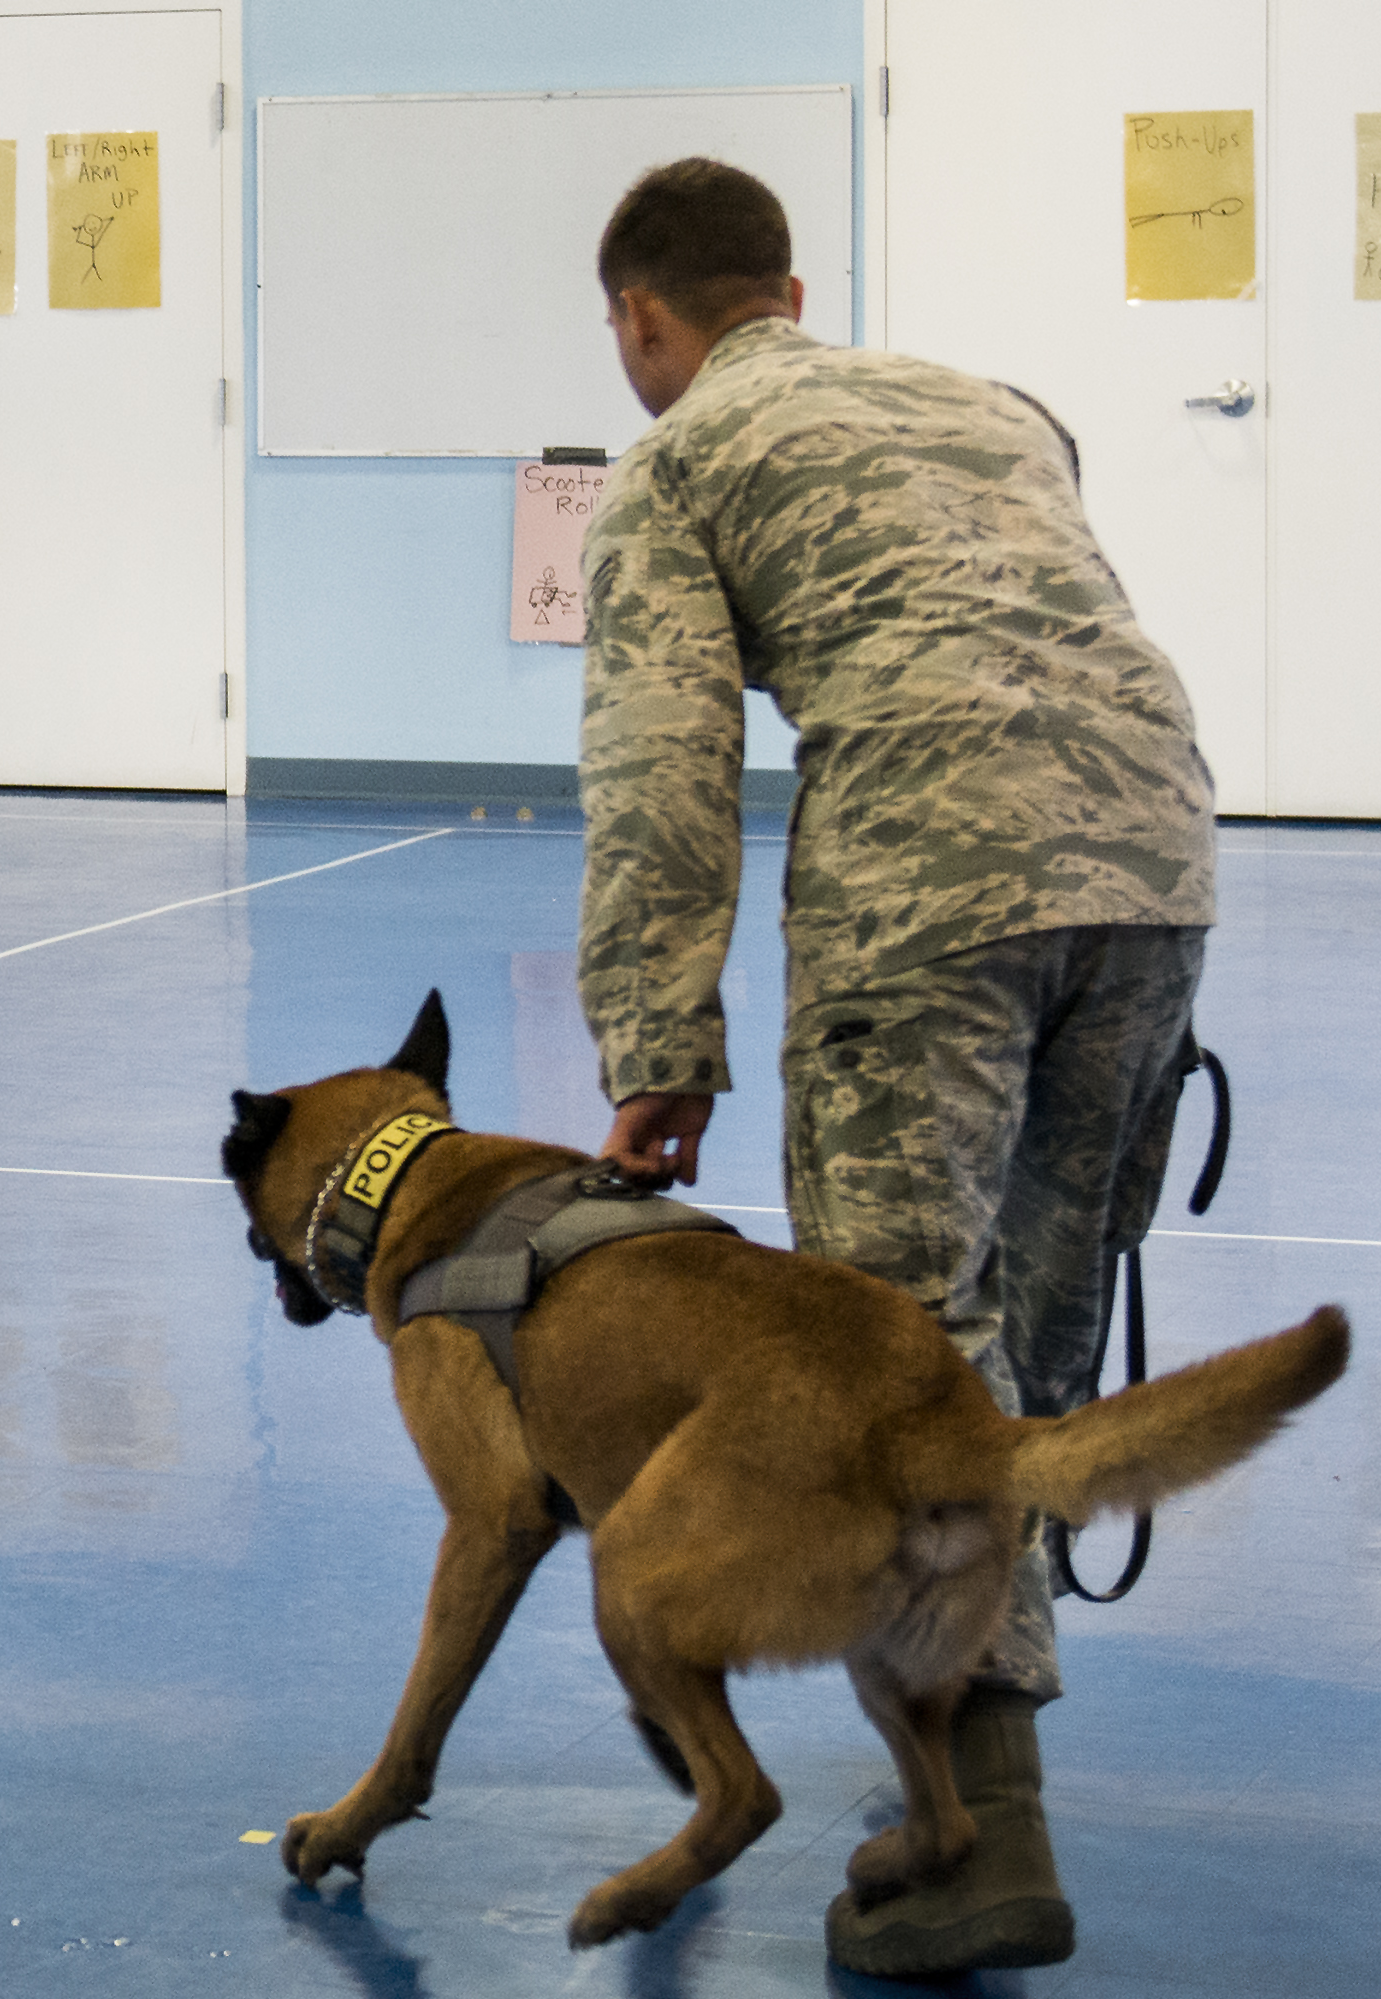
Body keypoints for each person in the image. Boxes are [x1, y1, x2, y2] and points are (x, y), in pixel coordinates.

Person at [575, 158, 1216, 1978]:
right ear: (791, 291)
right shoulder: (1000, 406)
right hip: (1159, 861)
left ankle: (982, 1836)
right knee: (1041, 1316)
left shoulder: (677, 460)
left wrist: (660, 1046)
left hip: (933, 880)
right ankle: (968, 1747)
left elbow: (662, 772)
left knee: (902, 1358)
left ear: (644, 318)